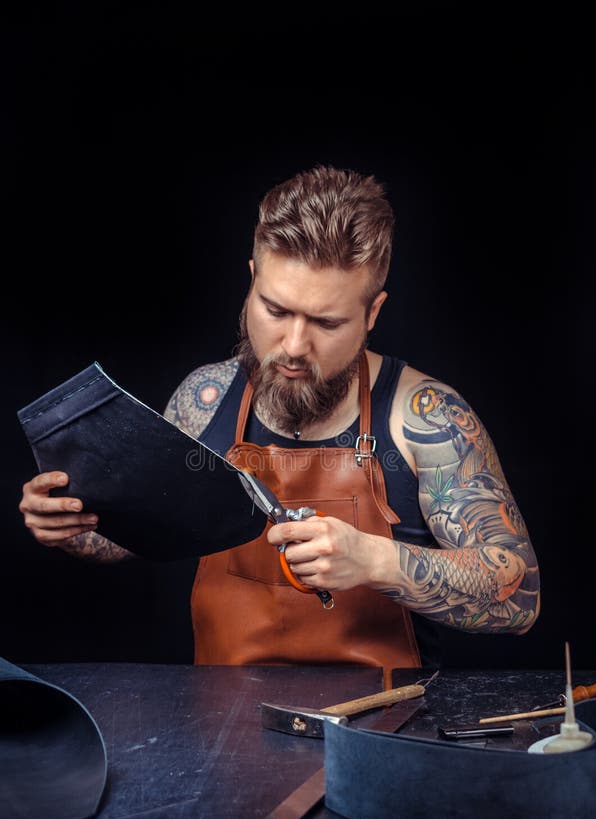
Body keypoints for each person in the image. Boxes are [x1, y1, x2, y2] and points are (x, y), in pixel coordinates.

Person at [19, 164, 540, 683]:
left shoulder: (426, 416)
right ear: (251, 281)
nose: (294, 346)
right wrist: (71, 524)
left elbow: (519, 599)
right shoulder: (205, 399)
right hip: (219, 726)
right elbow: (134, 535)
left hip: (380, 728)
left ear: (373, 313)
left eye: (326, 322)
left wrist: (374, 560)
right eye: (275, 309)